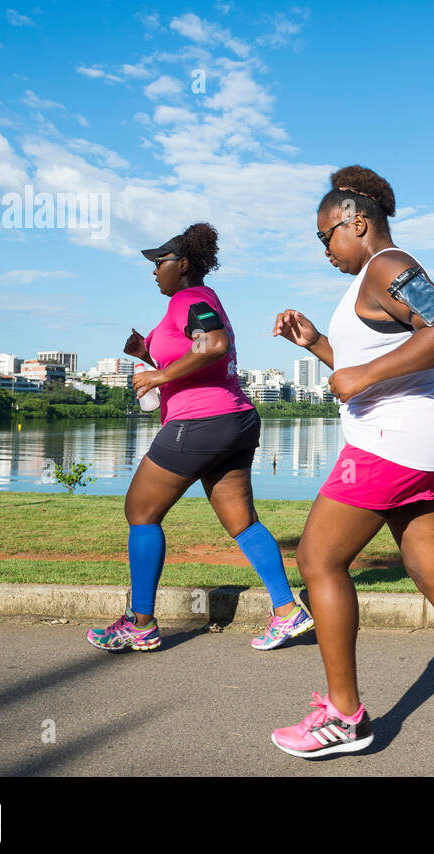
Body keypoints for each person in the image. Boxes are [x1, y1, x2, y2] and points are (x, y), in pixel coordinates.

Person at [269, 165, 434, 758]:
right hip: (423, 439)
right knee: (433, 570)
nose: (323, 250)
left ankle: (344, 718)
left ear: (355, 222)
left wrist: (361, 375)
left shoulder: (389, 264)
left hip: (394, 440)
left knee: (318, 559)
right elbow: (378, 350)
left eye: (324, 237)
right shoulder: (372, 277)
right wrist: (316, 343)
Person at [86, 223, 314, 653]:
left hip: (202, 422)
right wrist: (146, 355)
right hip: (235, 419)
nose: (154, 270)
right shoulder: (195, 304)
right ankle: (287, 612)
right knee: (241, 521)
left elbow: (213, 345)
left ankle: (140, 623)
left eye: (160, 262)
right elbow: (195, 349)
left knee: (140, 510)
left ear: (183, 264)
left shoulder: (191, 298)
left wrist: (160, 373)